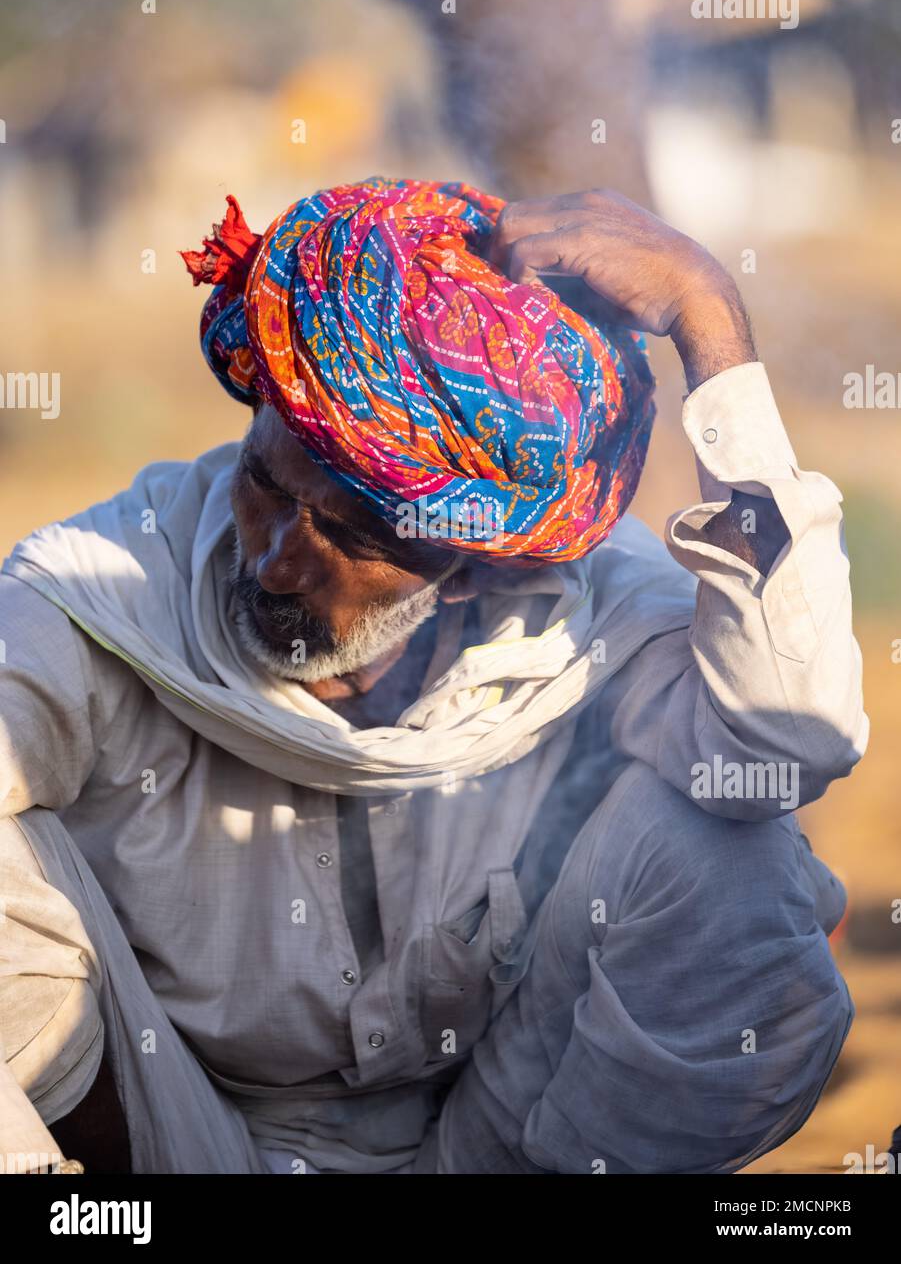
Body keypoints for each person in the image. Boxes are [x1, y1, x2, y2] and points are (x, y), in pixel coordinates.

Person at [0, 179, 864, 1174]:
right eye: (265, 485)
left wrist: (708, 318)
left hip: (490, 1144)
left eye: (350, 531)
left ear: (479, 568)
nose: (278, 557)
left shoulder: (581, 615)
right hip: (175, 1142)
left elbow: (789, 735)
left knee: (728, 853)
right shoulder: (103, 586)